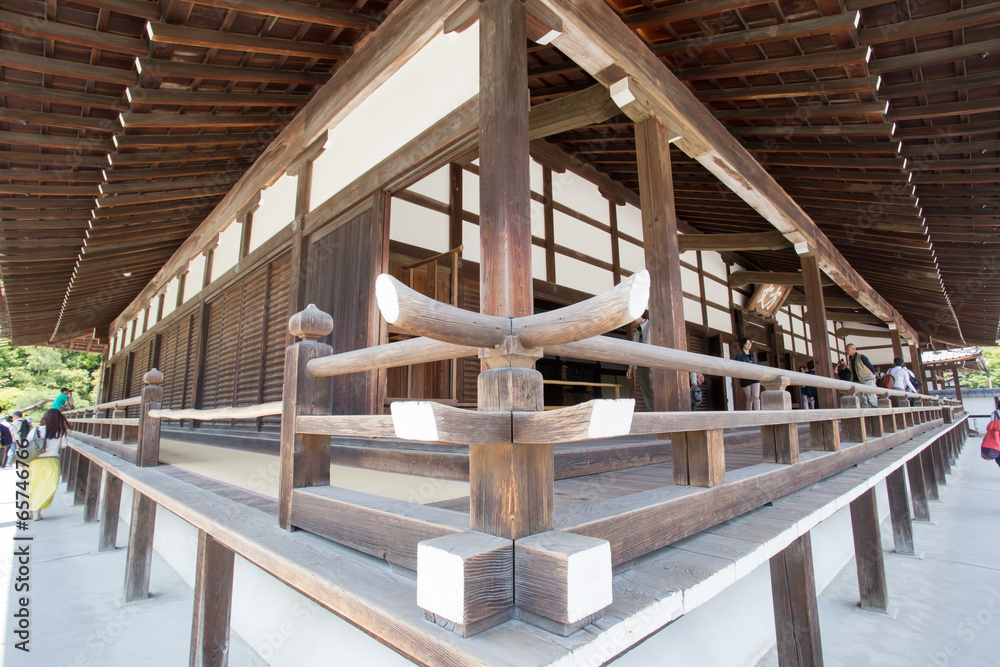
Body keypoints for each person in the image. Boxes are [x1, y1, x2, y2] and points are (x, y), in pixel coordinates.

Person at [26, 409, 69, 521]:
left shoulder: (35, 430)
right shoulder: (60, 431)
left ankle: (28, 511)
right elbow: (63, 446)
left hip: (34, 461)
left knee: (32, 486)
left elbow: (26, 444)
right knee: (48, 486)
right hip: (51, 461)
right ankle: (37, 512)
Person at [626, 310, 654, 410]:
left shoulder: (652, 326)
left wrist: (654, 362)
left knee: (654, 389)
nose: (633, 319)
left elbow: (656, 345)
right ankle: (652, 413)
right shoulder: (636, 333)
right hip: (640, 365)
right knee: (645, 391)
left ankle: (659, 412)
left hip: (651, 364)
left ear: (641, 315)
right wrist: (630, 367)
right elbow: (634, 350)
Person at [845, 343, 878, 408]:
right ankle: (865, 415)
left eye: (847, 349)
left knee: (871, 397)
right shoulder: (850, 358)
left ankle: (876, 413)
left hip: (867, 379)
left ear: (853, 349)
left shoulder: (861, 357)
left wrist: (871, 377)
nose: (846, 351)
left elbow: (872, 368)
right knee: (861, 399)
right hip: (857, 381)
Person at [735, 338, 760, 410]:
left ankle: (758, 413)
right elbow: (737, 367)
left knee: (756, 396)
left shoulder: (754, 355)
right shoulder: (739, 355)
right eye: (747, 343)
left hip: (755, 377)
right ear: (743, 345)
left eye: (750, 343)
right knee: (749, 398)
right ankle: (749, 413)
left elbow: (758, 365)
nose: (749, 345)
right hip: (745, 378)